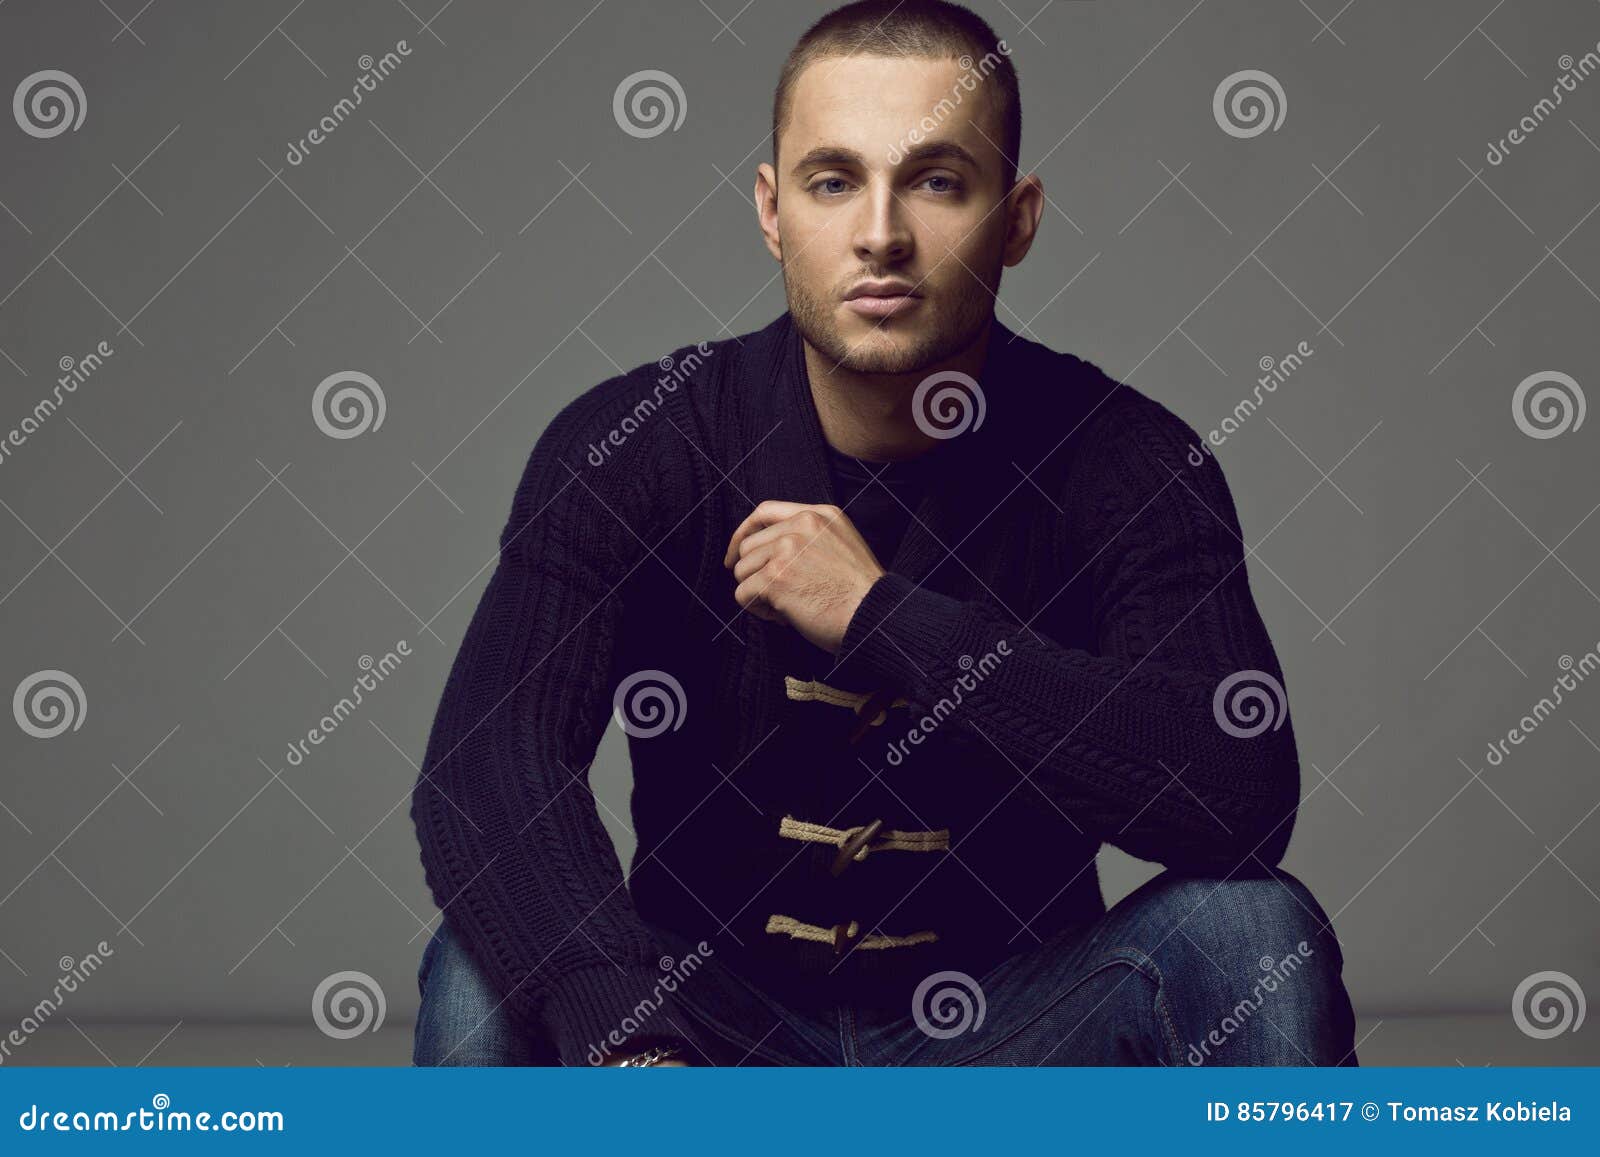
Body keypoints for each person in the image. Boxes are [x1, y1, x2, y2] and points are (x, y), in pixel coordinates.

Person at [409, 0, 1357, 1067]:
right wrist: (630, 1038)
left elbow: (1238, 792)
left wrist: (881, 618)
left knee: (1250, 931)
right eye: (832, 180)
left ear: (1018, 217)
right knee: (478, 964)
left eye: (937, 181)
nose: (879, 234)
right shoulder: (636, 446)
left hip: (1014, 1037)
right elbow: (485, 773)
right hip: (701, 1035)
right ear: (771, 210)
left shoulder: (1129, 461)